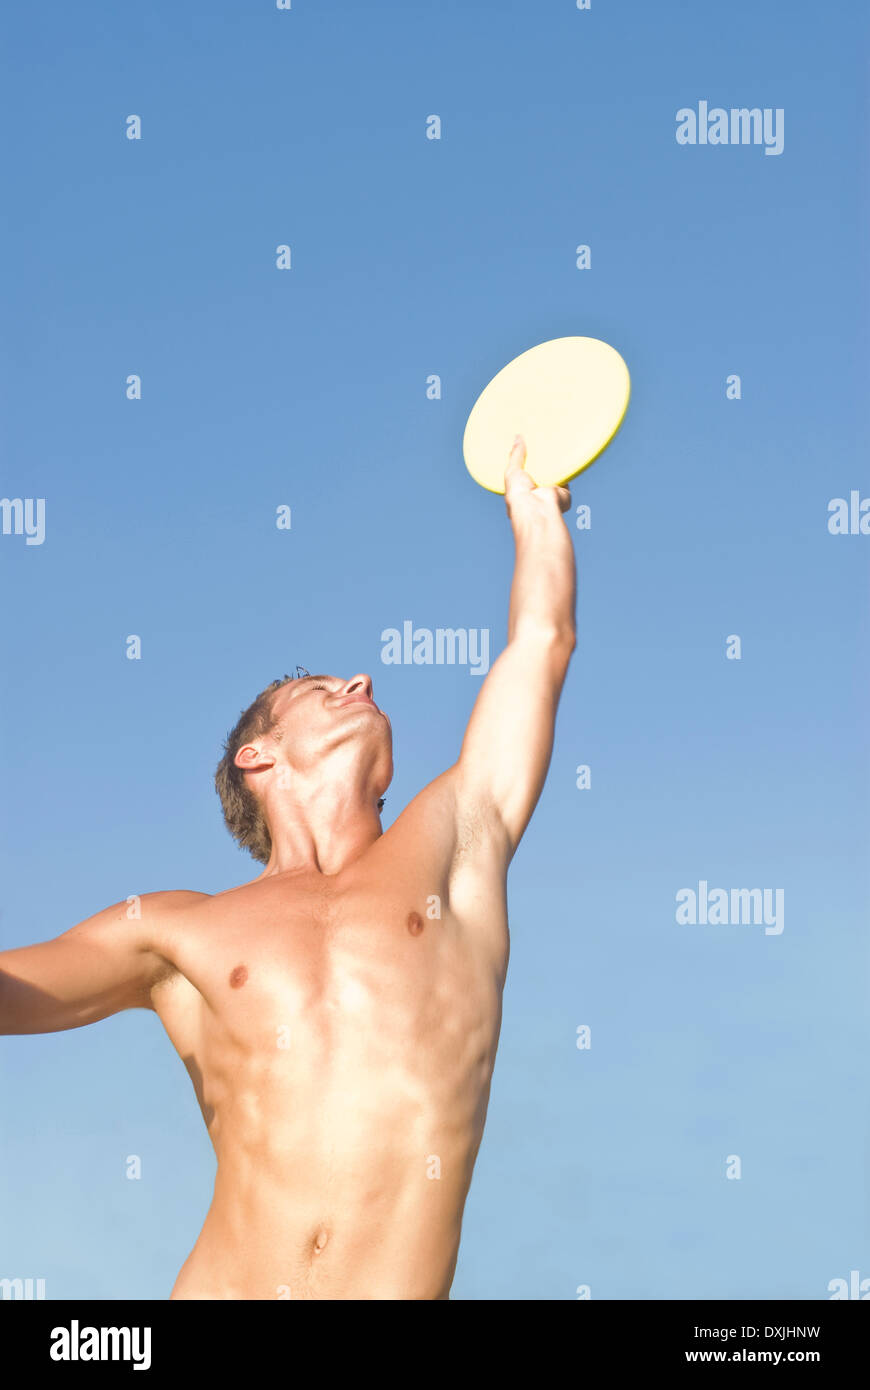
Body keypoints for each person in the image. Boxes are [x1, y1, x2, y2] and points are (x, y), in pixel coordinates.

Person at [0, 437, 576, 1300]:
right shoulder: (173, 929)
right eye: (321, 686)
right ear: (256, 757)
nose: (361, 678)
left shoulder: (453, 841)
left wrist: (533, 516)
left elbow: (541, 645)